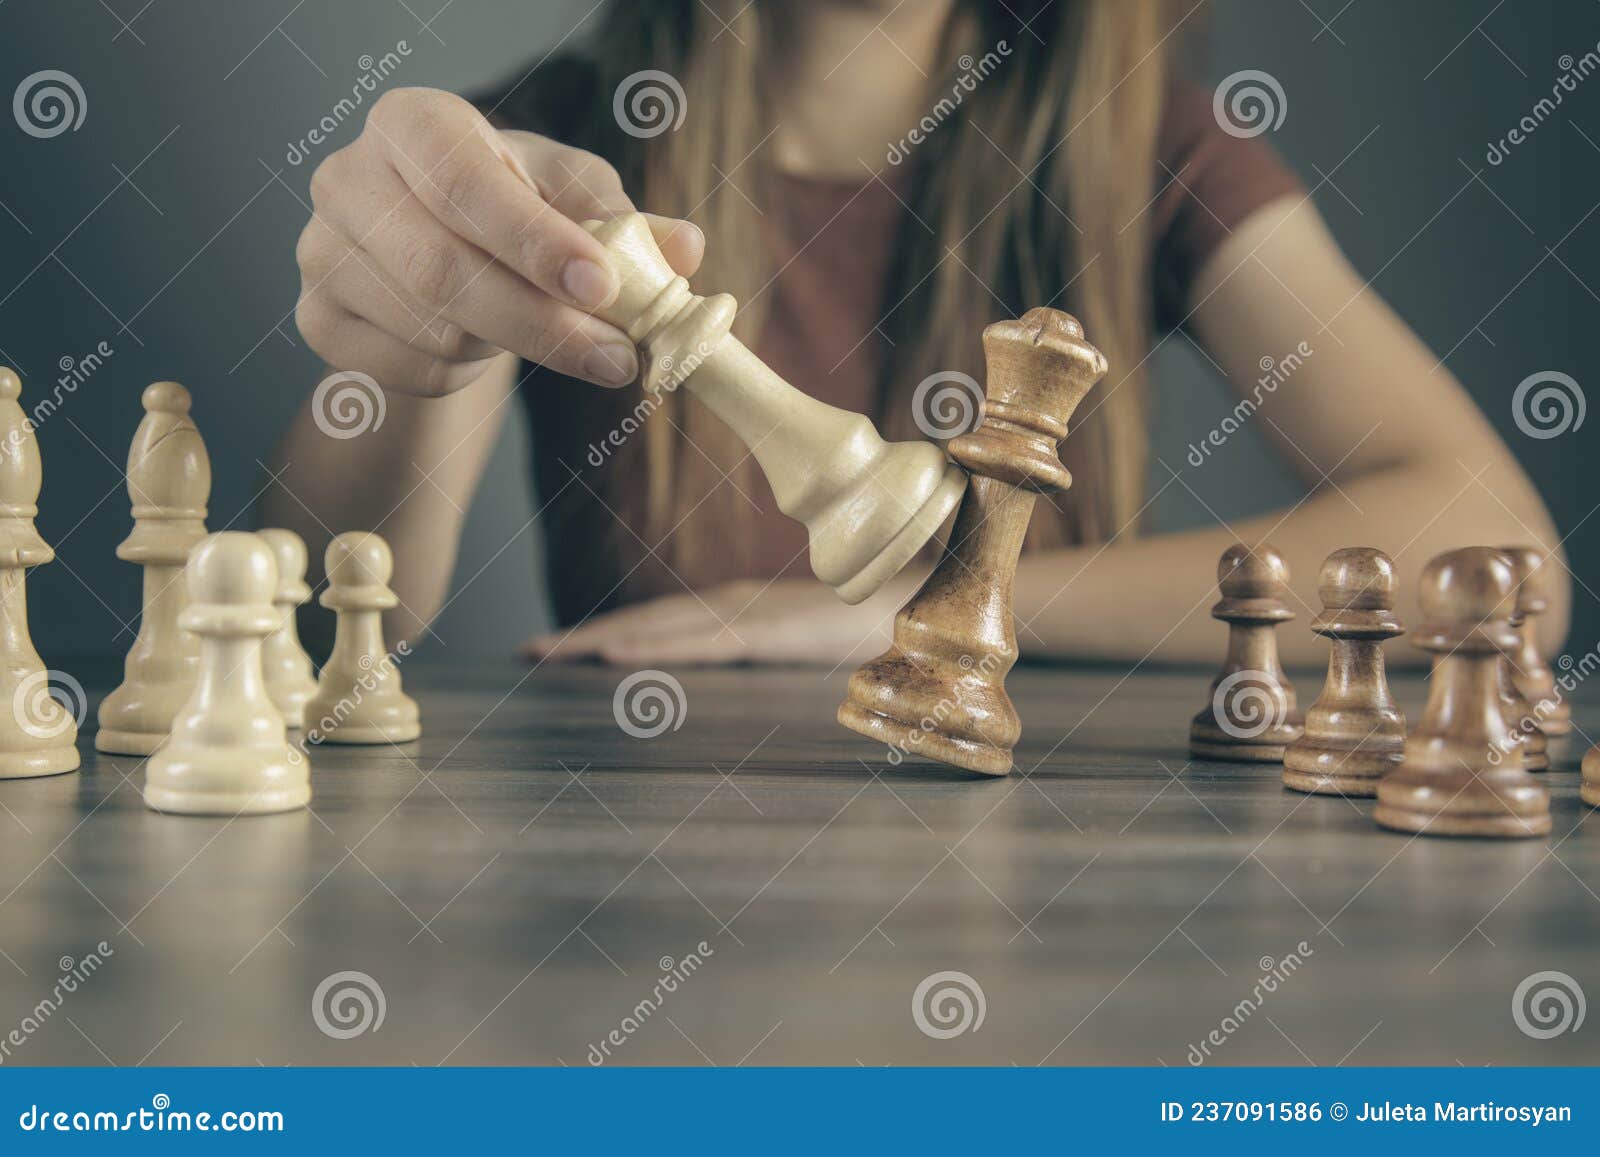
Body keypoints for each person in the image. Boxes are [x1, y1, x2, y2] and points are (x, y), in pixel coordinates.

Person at [266, 0, 1566, 667]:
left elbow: (1498, 555)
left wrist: (942, 608)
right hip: (637, 909)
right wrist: (408, 345)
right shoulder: (548, 160)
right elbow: (325, 638)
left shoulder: (1144, 150)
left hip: (1026, 897)